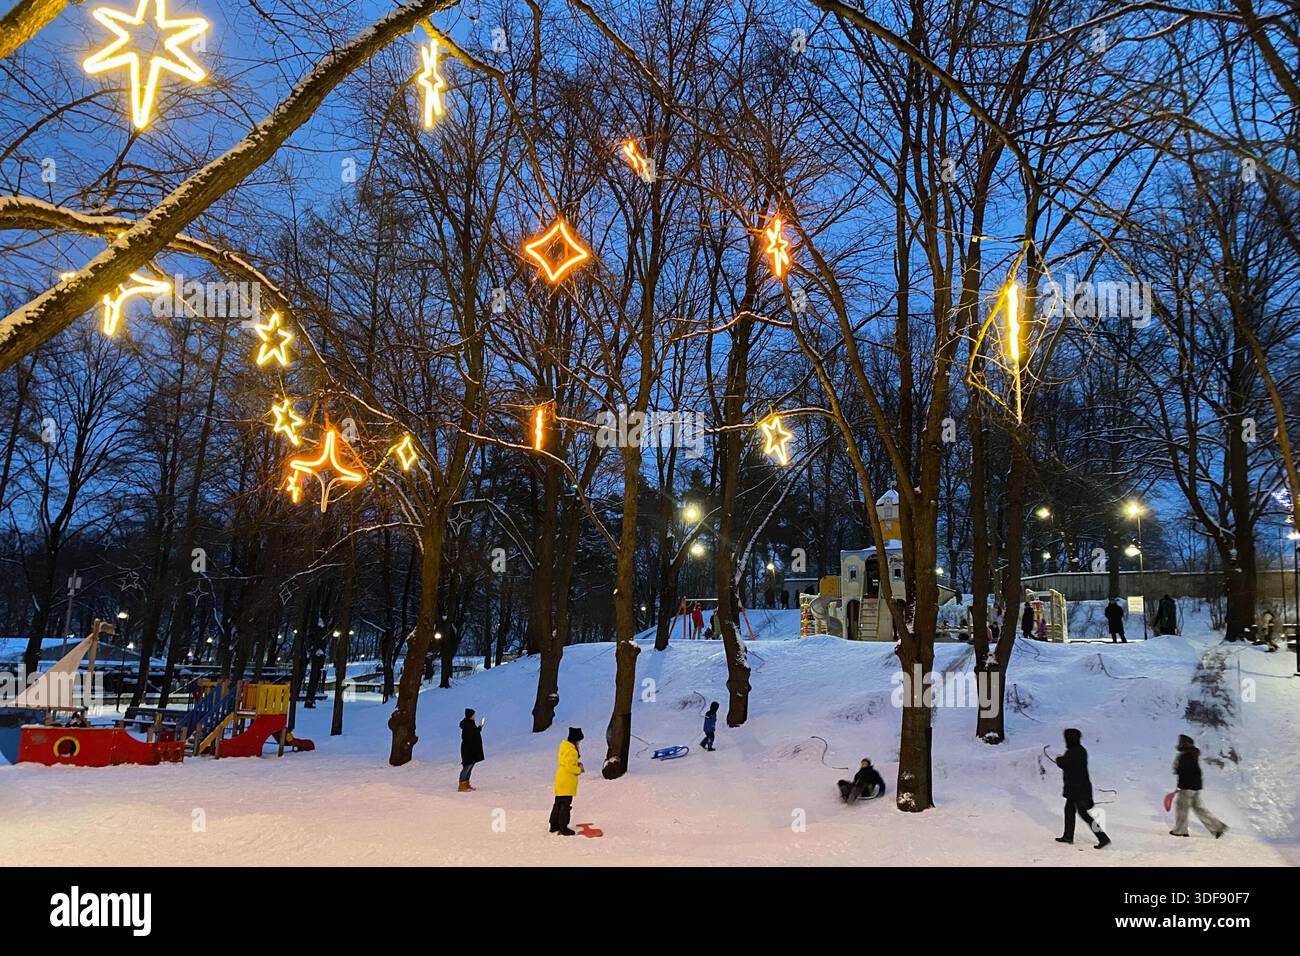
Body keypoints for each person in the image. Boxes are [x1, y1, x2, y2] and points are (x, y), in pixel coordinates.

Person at [1053, 728, 1111, 848]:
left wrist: (1059, 760)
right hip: (1078, 788)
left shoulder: (1074, 752)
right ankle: (1068, 836)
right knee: (1069, 810)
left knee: (1083, 814)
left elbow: (1066, 764)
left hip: (1077, 789)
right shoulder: (1079, 751)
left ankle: (1103, 837)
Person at [1169, 734, 1228, 839]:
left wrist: (1179, 786)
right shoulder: (1193, 754)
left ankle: (1180, 830)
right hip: (1196, 786)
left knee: (1182, 808)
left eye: (1180, 742)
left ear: (1183, 744)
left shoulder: (1183, 756)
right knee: (1199, 808)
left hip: (1186, 787)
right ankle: (1217, 827)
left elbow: (1181, 771)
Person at [550, 727, 584, 835]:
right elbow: (570, 767)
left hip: (560, 778)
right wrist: (579, 769)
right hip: (567, 781)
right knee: (565, 805)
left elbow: (566, 763)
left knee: (558, 803)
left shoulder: (564, 747)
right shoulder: (572, 751)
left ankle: (554, 824)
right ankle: (563, 827)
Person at [458, 708, 484, 792]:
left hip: (472, 749)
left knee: (471, 765)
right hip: (468, 749)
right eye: (473, 715)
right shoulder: (467, 725)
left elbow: (475, 733)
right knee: (467, 766)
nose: (474, 716)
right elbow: (470, 736)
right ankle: (461, 785)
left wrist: (480, 727)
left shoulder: (471, 724)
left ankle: (466, 783)